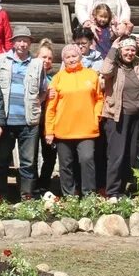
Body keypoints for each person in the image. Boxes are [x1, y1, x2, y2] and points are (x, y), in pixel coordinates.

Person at [100, 37, 139, 197]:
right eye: (127, 49)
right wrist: (113, 48)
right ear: (121, 51)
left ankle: (123, 189)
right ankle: (112, 191)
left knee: (132, 154)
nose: (130, 53)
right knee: (117, 155)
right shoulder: (115, 67)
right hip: (117, 117)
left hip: (137, 117)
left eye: (133, 50)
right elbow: (105, 71)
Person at [44, 43, 103, 197]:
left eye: (74, 56)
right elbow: (51, 107)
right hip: (63, 130)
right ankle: (69, 196)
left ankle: (89, 195)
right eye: (67, 57)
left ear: (80, 56)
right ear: (63, 59)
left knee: (87, 160)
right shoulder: (58, 78)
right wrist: (49, 131)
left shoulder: (91, 75)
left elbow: (99, 99)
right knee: (66, 165)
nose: (71, 59)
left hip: (87, 129)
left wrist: (96, 115)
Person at [0, 25, 47, 199]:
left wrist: (35, 104)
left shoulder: (37, 64)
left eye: (26, 40)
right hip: (6, 121)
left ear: (30, 43)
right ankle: (0, 196)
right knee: (2, 161)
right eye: (19, 40)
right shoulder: (1, 60)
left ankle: (26, 196)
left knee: (28, 162)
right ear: (13, 43)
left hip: (28, 122)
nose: (22, 44)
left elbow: (43, 90)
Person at [35, 38, 59, 190]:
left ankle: (44, 184)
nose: (47, 61)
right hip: (32, 119)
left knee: (49, 155)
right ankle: (31, 186)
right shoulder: (30, 75)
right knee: (30, 156)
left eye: (50, 58)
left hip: (48, 121)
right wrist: (44, 95)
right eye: (44, 57)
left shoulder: (54, 78)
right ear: (36, 56)